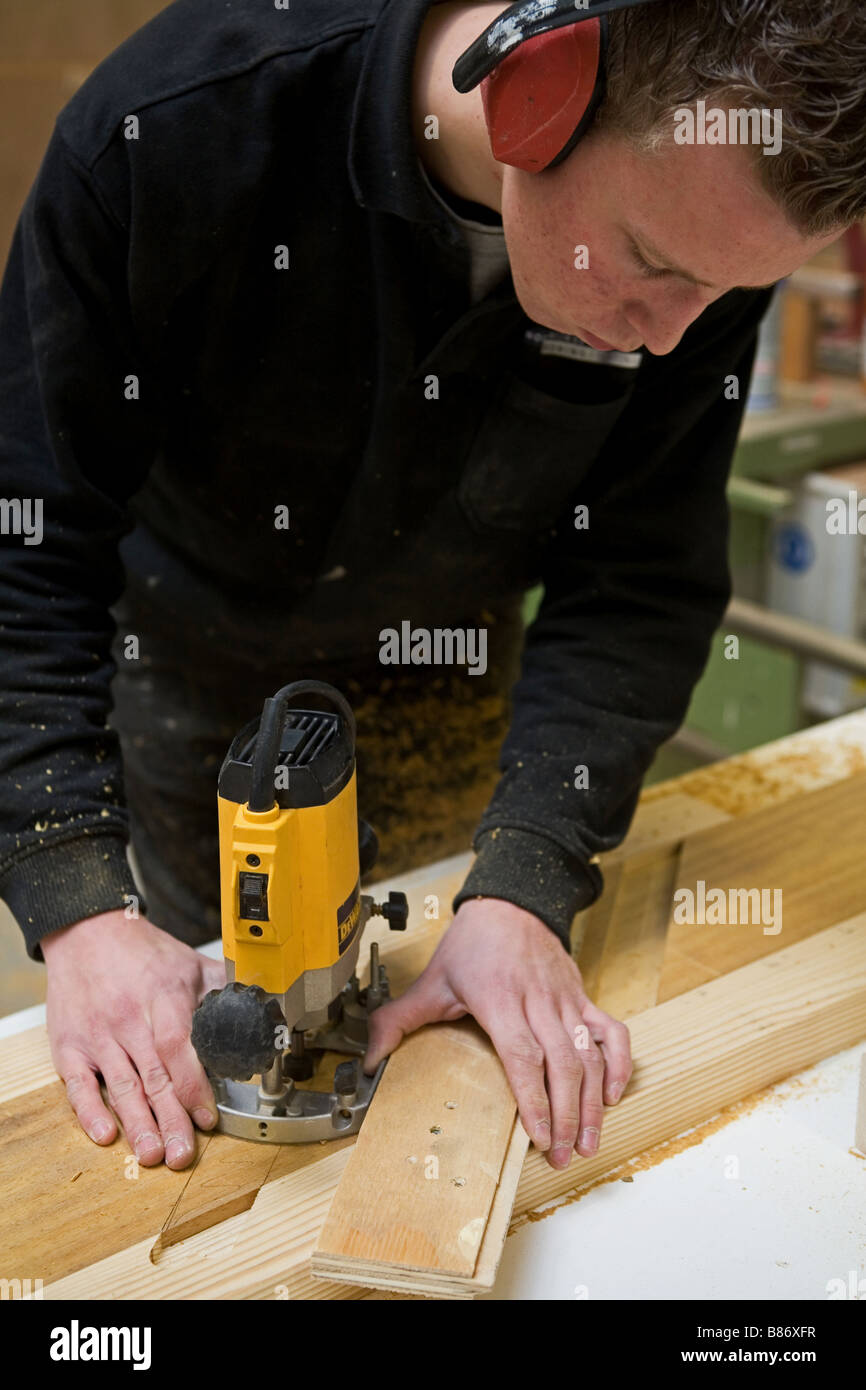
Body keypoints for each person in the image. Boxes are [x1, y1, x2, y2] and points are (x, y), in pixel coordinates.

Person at [1, 0, 863, 1175]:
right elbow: (24, 544)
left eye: (710, 295)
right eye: (652, 265)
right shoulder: (170, 132)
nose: (667, 339)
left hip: (460, 668)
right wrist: (79, 901)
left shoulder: (700, 207)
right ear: (533, 93)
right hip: (199, 682)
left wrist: (522, 879)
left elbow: (639, 577)